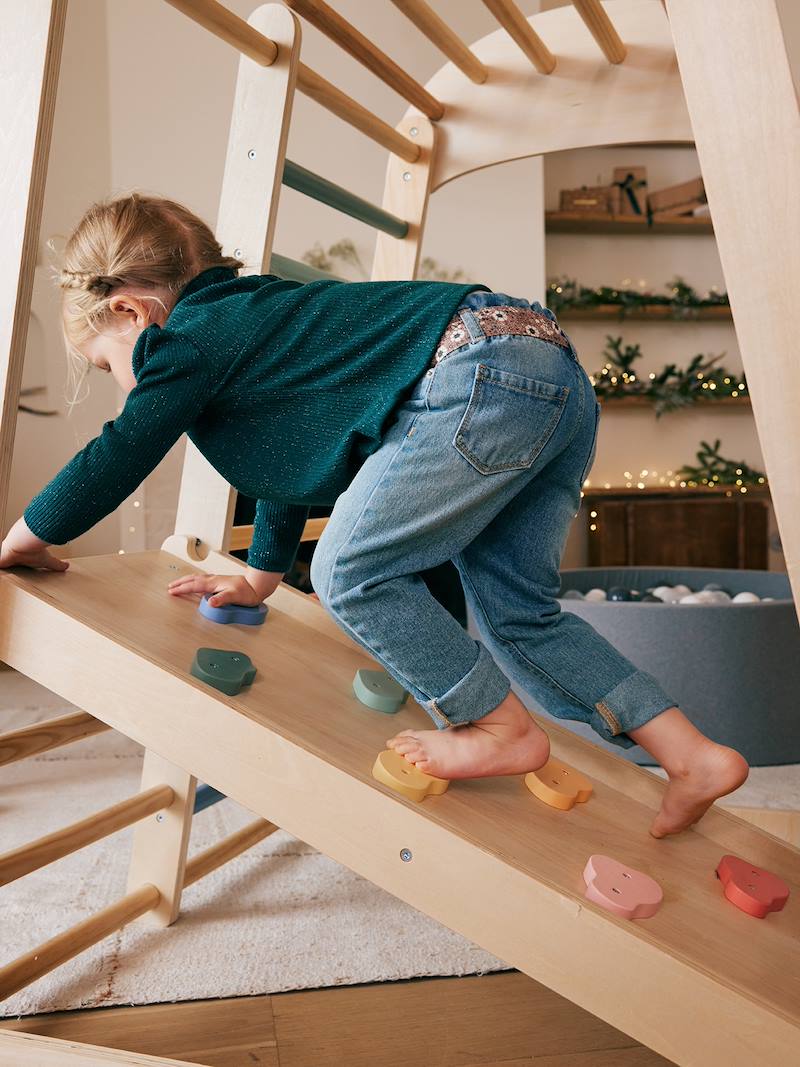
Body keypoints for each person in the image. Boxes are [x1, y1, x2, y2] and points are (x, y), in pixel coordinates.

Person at [0, 194, 748, 836]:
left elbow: (122, 449)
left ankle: (496, 726)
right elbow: (291, 458)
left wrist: (24, 537)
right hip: (547, 368)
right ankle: (692, 755)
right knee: (522, 614)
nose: (122, 382)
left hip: (477, 371)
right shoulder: (256, 320)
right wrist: (261, 576)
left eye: (107, 363)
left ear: (132, 309)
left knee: (348, 571)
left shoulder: (186, 338)